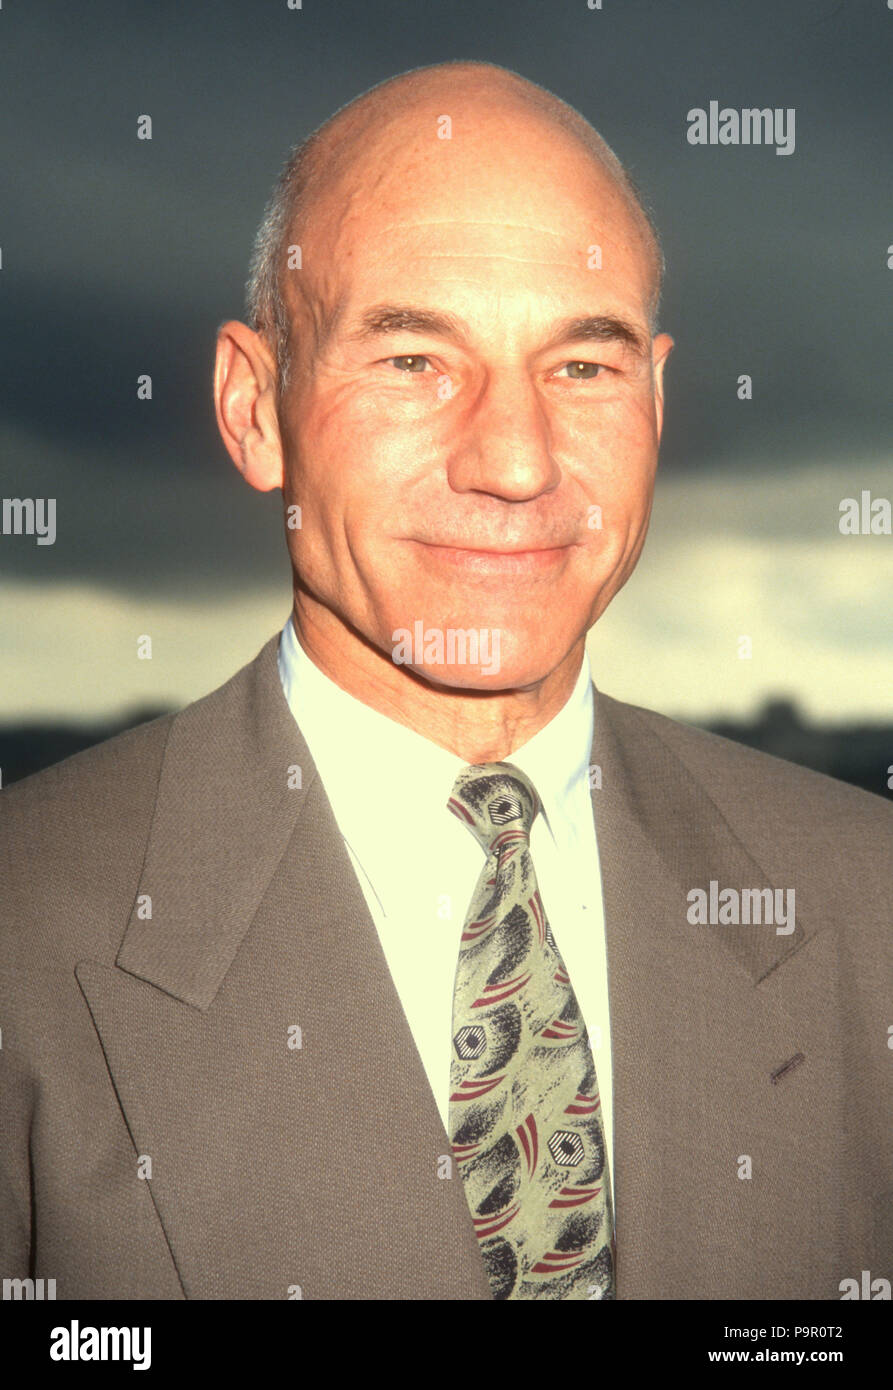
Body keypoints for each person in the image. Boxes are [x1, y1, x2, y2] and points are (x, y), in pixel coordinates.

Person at [1, 60, 891, 1302]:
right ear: (254, 410)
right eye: (415, 359)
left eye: (582, 367)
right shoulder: (26, 927)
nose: (516, 461)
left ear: (654, 397)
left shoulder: (866, 900)